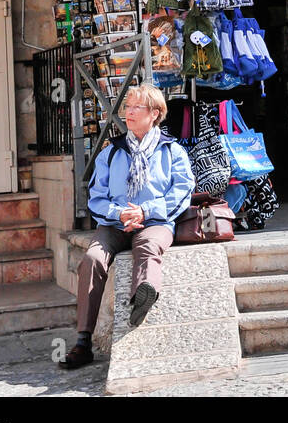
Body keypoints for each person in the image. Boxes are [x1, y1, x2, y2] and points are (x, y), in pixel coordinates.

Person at [59, 84, 195, 369]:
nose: (128, 113)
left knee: (148, 246)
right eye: (127, 107)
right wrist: (120, 214)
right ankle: (83, 341)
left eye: (136, 107)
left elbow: (182, 191)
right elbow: (96, 196)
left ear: (155, 114)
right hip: (115, 223)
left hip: (155, 220)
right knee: (93, 258)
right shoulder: (112, 152)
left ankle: (142, 296)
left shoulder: (172, 151)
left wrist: (146, 210)